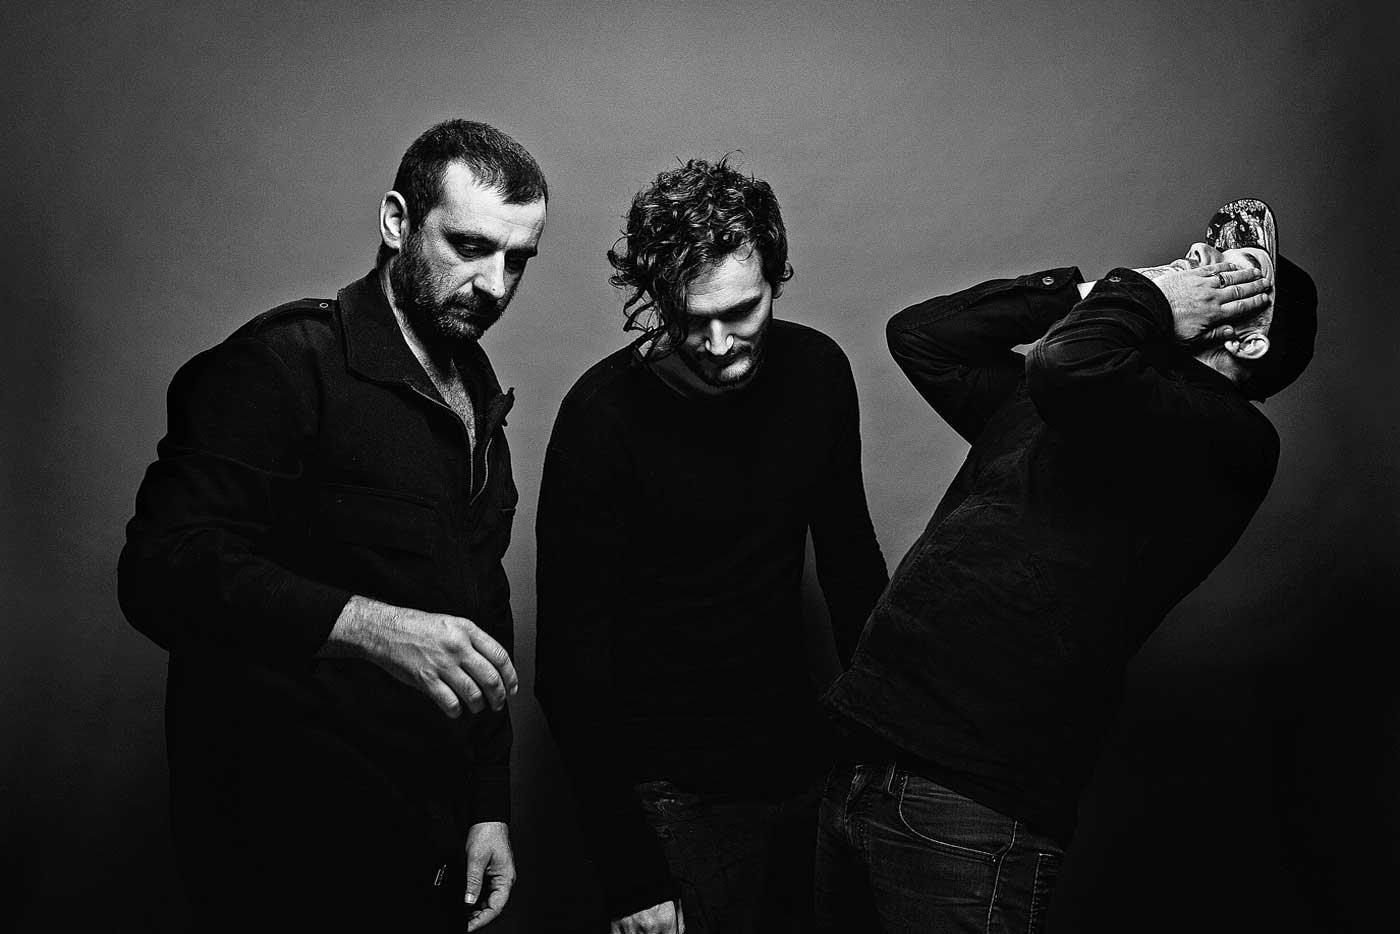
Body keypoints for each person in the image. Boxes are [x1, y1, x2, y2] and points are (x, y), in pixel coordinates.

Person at [816, 198, 1318, 933]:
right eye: (1199, 256)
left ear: (1249, 340)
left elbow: (1071, 366)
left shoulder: (1230, 441)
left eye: (1230, 271)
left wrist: (1142, 297)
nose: (1196, 261)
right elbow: (923, 338)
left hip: (969, 806)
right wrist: (1089, 294)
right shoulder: (1069, 394)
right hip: (861, 758)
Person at [118, 119, 548, 931]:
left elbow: (479, 606)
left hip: (425, 838)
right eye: (469, 246)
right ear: (397, 221)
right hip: (281, 850)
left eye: (517, 258)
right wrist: (368, 626)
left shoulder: (473, 381)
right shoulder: (282, 364)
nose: (494, 284)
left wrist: (487, 805)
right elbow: (158, 569)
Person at [534, 157, 888, 934]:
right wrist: (629, 872)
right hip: (670, 793)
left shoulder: (818, 373)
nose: (721, 343)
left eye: (743, 310)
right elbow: (568, 663)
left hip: (805, 764)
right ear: (656, 297)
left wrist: (888, 755)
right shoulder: (600, 419)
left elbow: (852, 566)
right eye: (693, 318)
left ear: (775, 278)